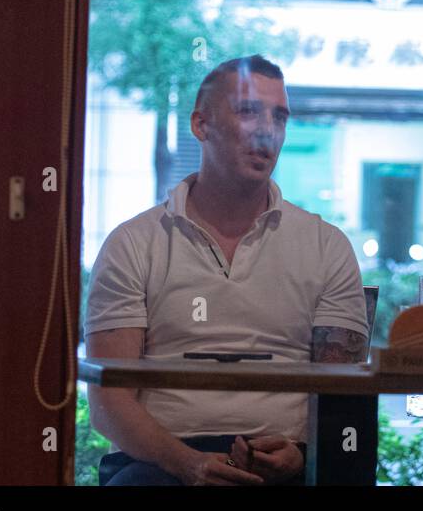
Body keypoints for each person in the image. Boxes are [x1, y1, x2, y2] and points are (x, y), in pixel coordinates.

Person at [84, 54, 369, 485]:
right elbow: (109, 398)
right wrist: (184, 461)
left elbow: (341, 394)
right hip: (160, 462)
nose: (267, 130)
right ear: (201, 125)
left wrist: (298, 452)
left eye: (280, 116)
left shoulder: (325, 245)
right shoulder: (134, 243)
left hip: (286, 458)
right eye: (248, 111)